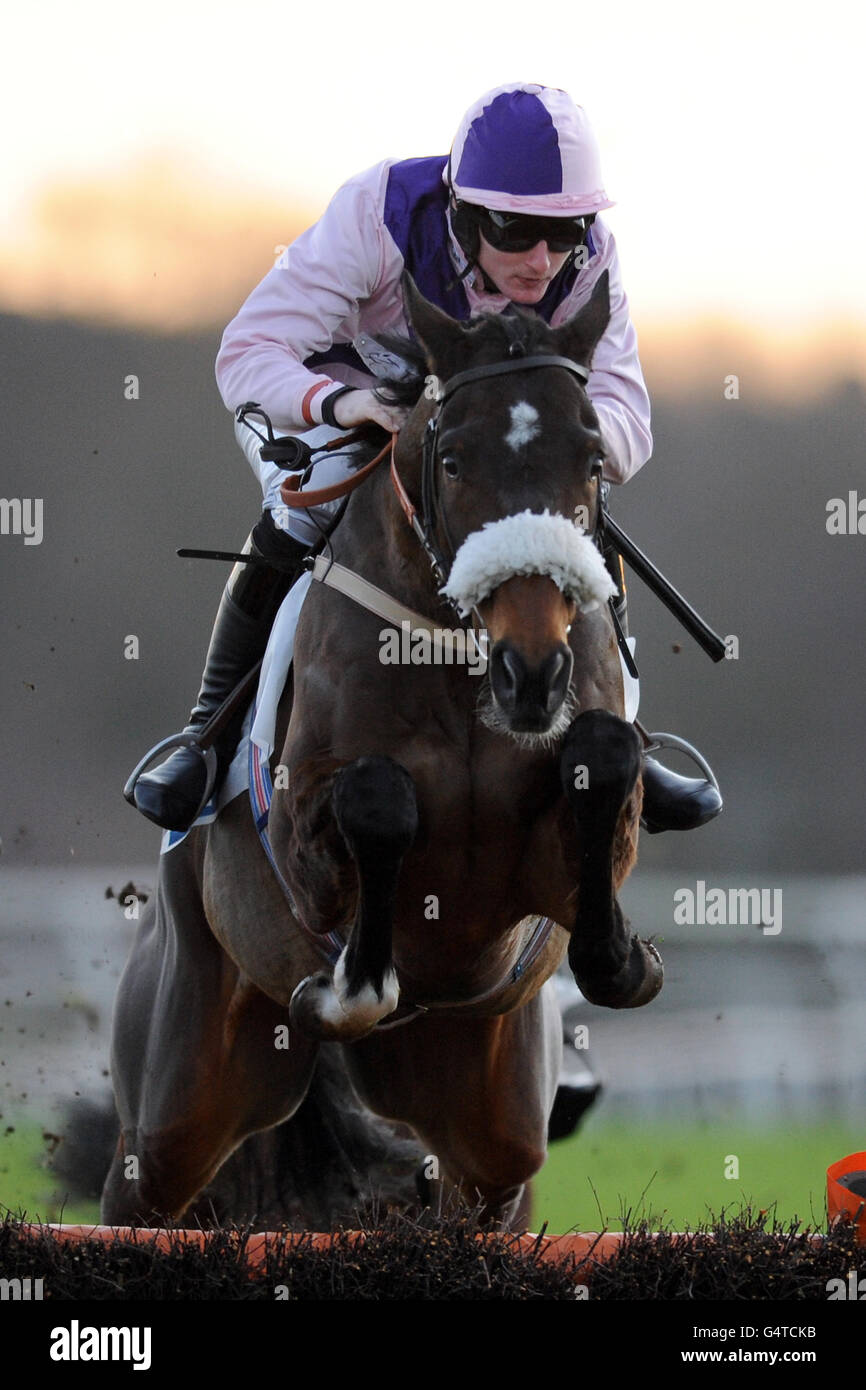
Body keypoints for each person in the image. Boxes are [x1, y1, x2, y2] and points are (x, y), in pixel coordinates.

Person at [129, 82, 722, 836]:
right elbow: (247, 352)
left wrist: (552, 452)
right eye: (513, 230)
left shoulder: (591, 259)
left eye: (564, 230)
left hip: (475, 438)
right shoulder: (378, 213)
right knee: (306, 498)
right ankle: (205, 737)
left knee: (577, 514)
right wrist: (342, 406)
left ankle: (626, 735)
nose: (541, 261)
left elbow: (628, 419)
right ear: (463, 211)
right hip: (331, 400)